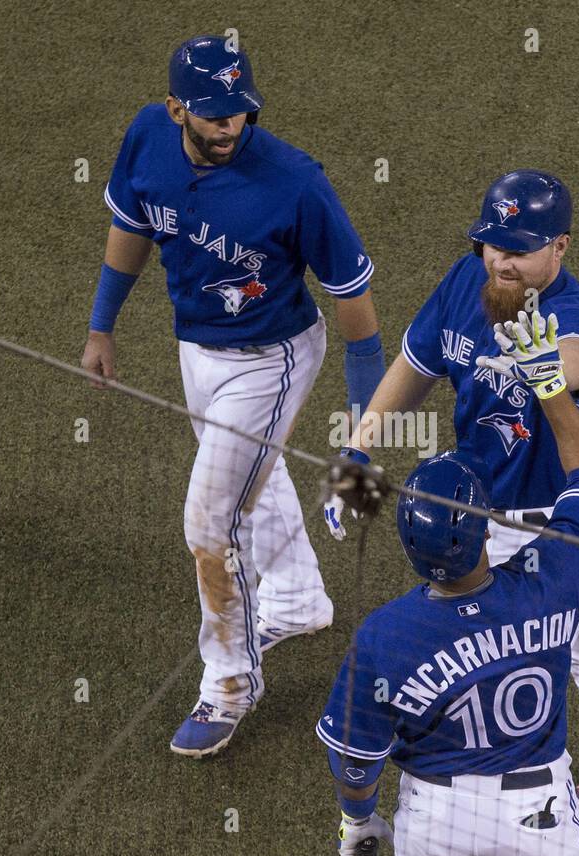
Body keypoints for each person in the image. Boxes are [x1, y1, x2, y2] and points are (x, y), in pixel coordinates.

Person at [323, 170, 579, 819]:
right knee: (576, 627)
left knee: (535, 637)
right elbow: (415, 367)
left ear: (560, 248)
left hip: (570, 516)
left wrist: (549, 367)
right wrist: (358, 451)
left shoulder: (572, 312)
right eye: (493, 243)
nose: (502, 260)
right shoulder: (469, 282)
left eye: (519, 248)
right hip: (487, 518)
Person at [81, 35, 386, 758]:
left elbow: (358, 313)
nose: (229, 128)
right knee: (252, 472)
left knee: (207, 522)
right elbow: (130, 228)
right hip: (197, 346)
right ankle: (298, 599)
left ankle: (229, 682)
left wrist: (360, 447)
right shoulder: (147, 138)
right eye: (213, 115)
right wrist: (102, 324)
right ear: (175, 107)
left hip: (273, 359)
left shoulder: (295, 183)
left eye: (239, 114)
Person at [319, 311, 579, 856]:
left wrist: (355, 820)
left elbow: (356, 758)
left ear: (408, 548)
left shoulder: (385, 636)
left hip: (437, 823)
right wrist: (549, 387)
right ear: (487, 529)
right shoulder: (555, 579)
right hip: (540, 818)